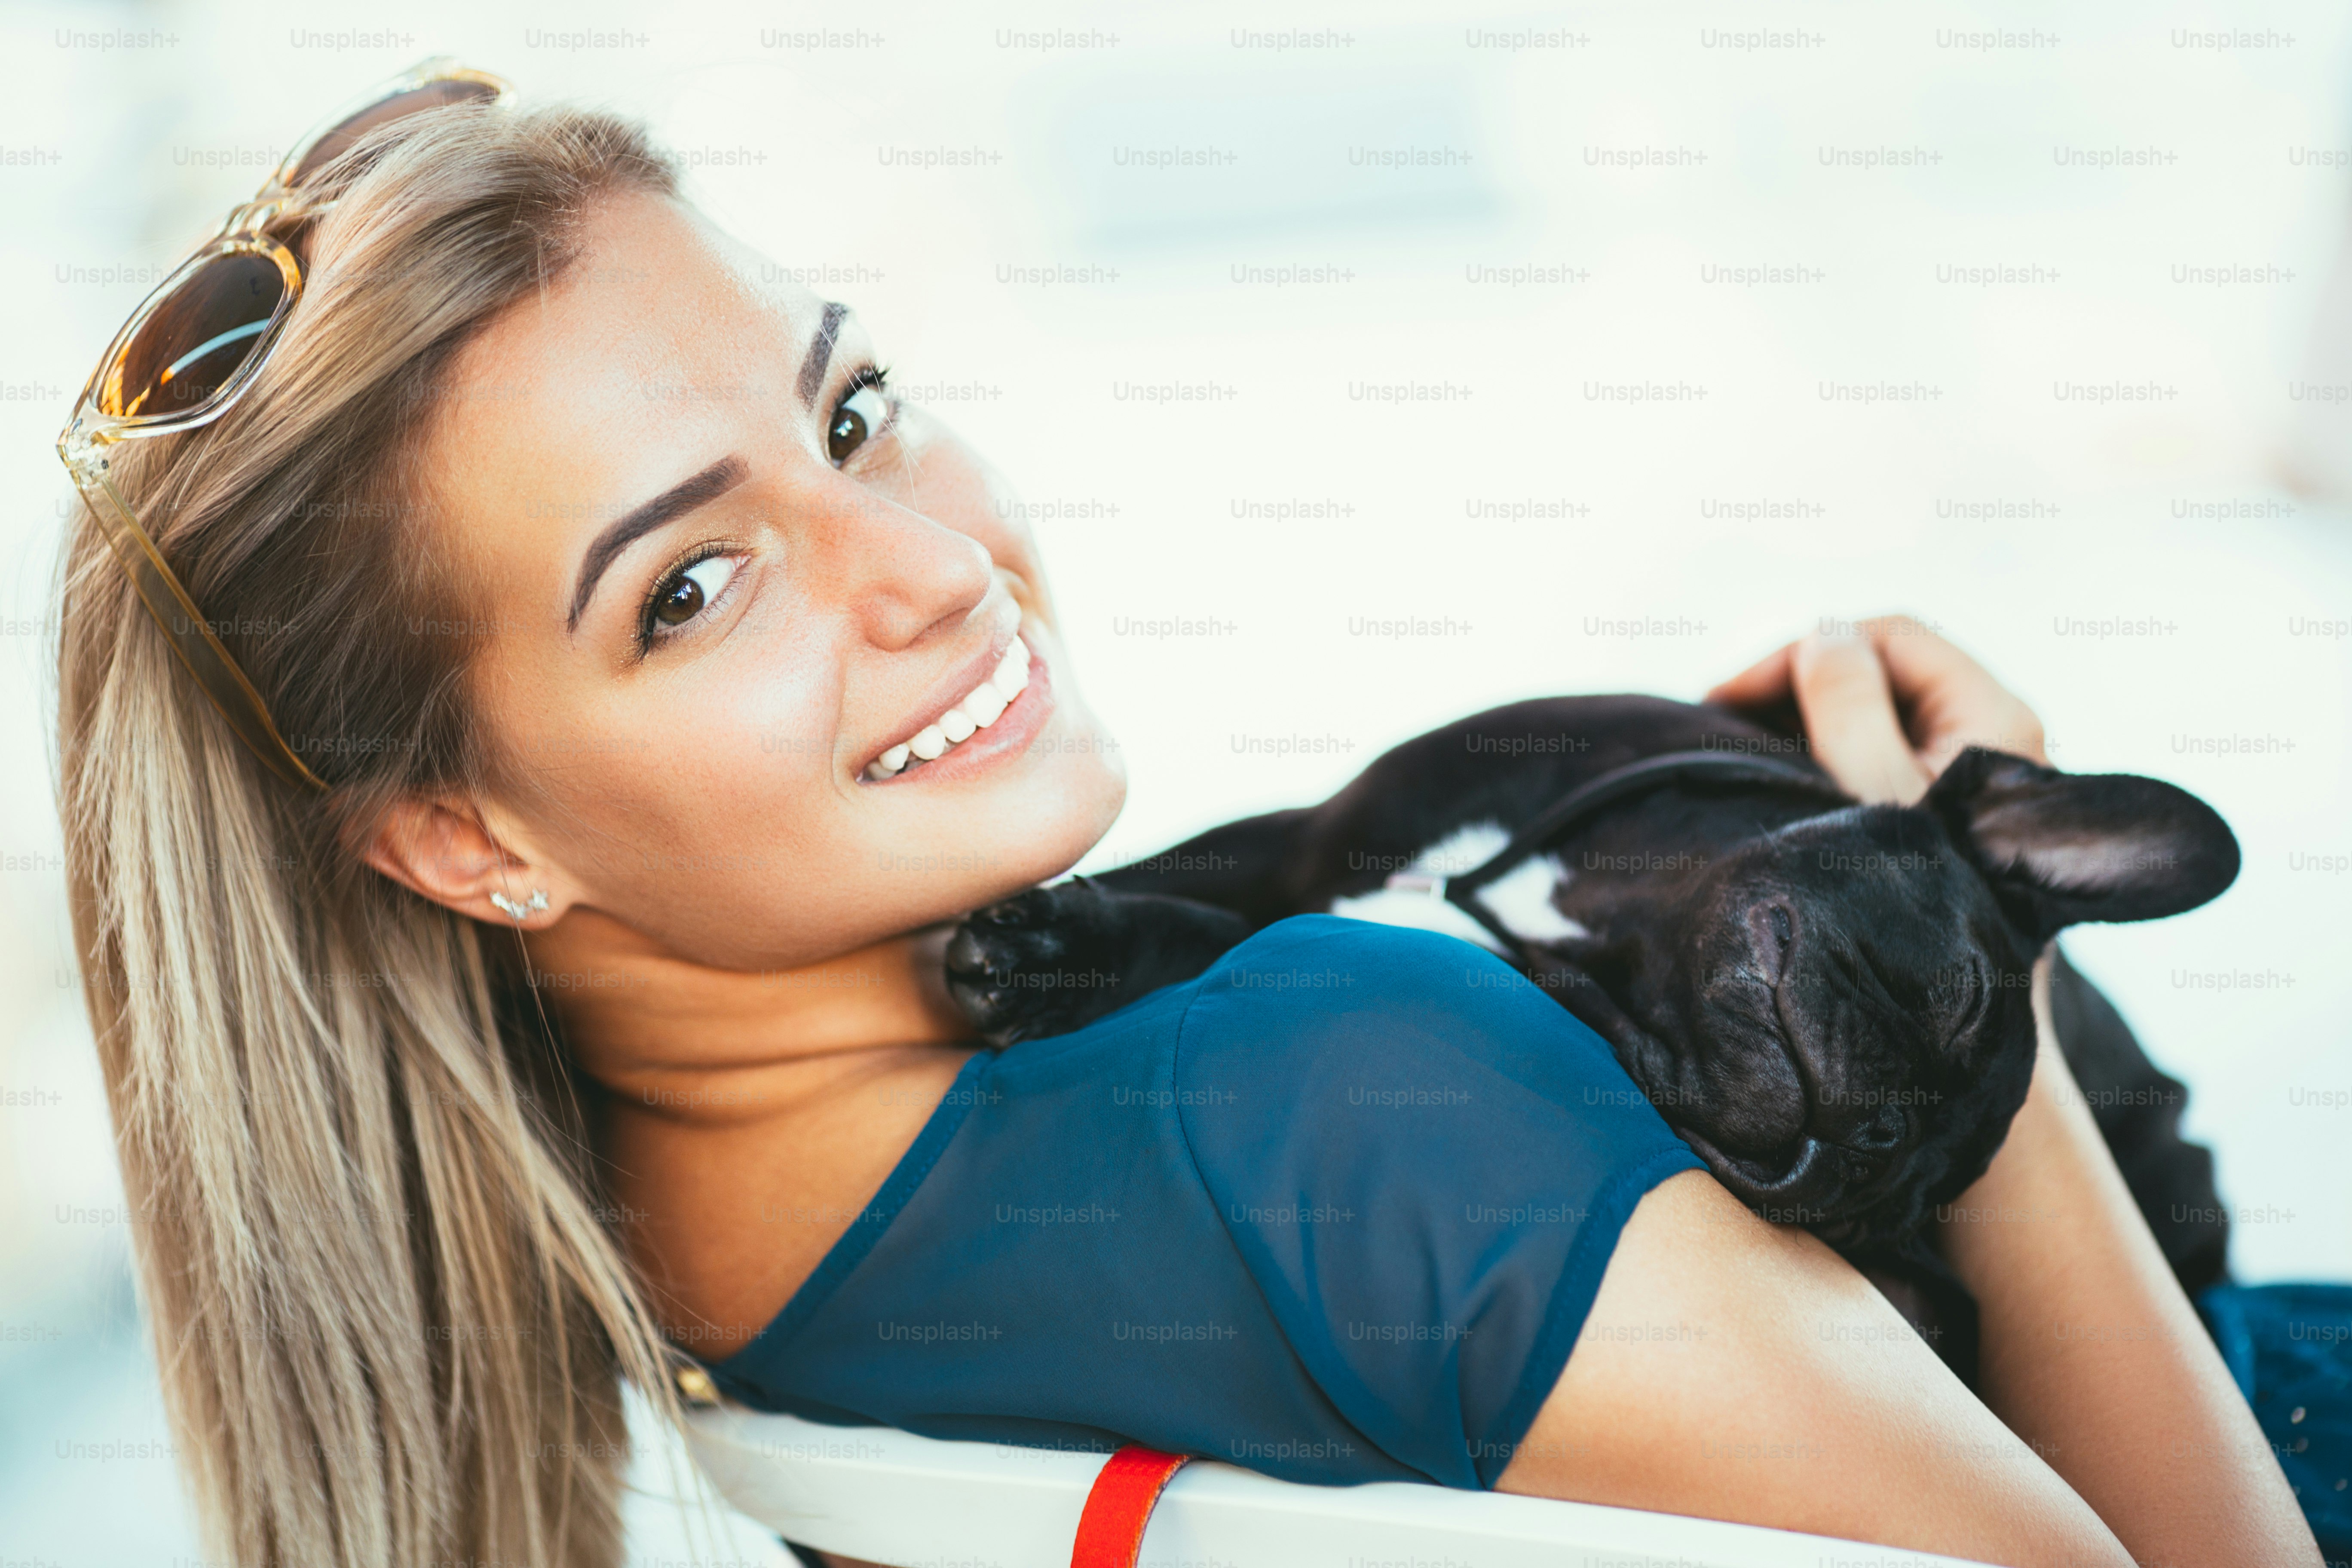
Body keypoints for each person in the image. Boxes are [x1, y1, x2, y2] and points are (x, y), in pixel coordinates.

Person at [53, 72, 2318, 1568]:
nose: (933, 564)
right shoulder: (1342, 1110)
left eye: (852, 409)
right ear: (464, 842)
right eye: (694, 586)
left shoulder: (688, 1253)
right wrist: (1951, 938)